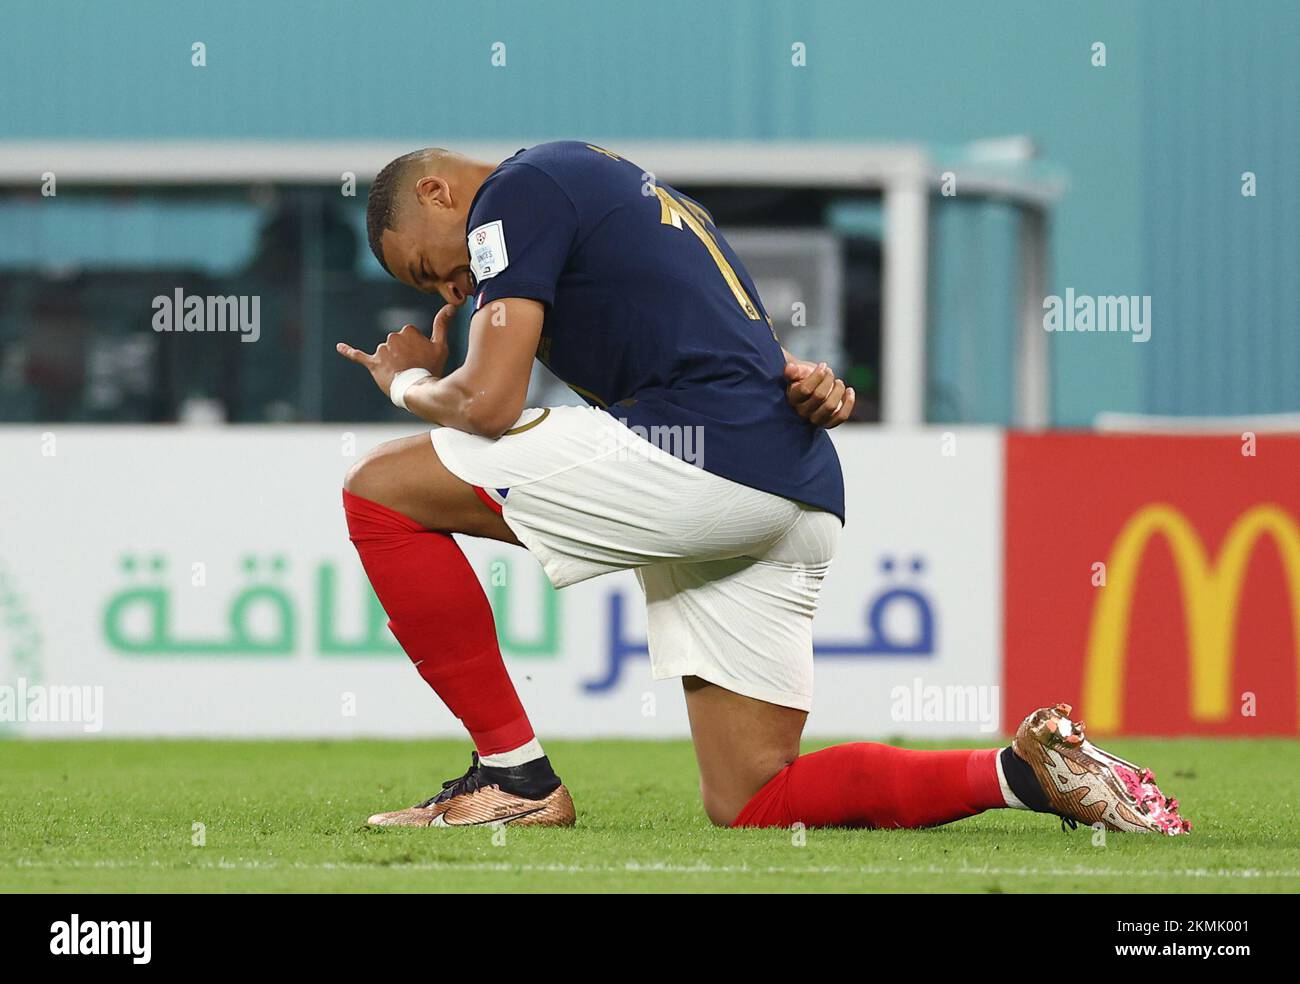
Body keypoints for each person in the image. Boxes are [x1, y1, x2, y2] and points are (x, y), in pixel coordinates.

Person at [337, 141, 1189, 835]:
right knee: (752, 798)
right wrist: (809, 380)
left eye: (428, 267)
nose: (451, 289)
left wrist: (406, 382)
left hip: (707, 461)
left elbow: (488, 403)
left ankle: (513, 775)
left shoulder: (511, 198)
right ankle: (1030, 773)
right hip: (792, 480)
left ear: (442, 193)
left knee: (378, 490)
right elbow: (711, 327)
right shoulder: (593, 183)